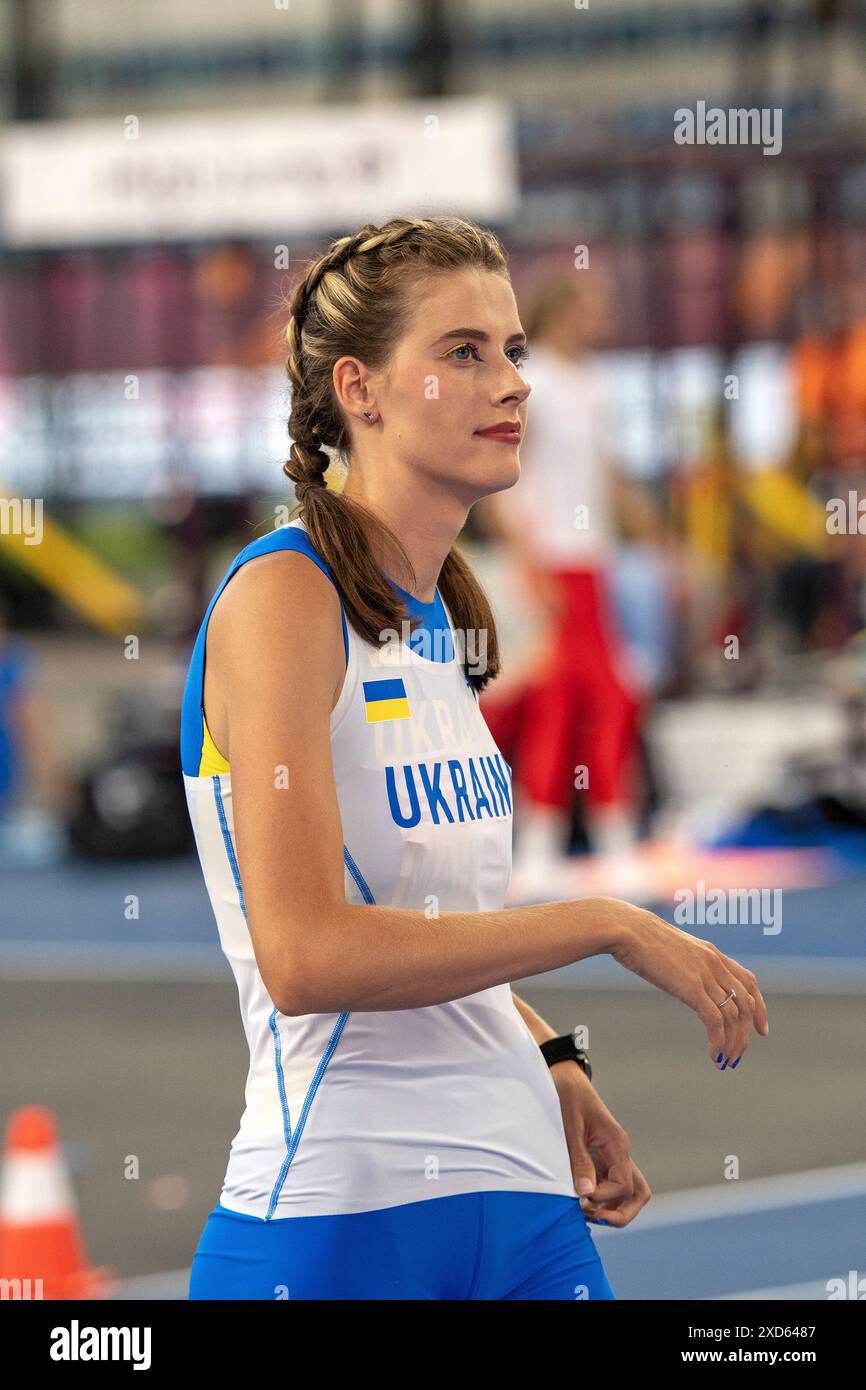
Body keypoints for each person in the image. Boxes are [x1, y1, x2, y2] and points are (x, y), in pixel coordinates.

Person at [180, 216, 769, 1301]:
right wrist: (606, 920)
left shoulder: (441, 618)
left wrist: (548, 1058)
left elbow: (436, 921)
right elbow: (305, 956)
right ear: (358, 389)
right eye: (462, 352)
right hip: (340, 1216)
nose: (509, 382)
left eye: (511, 351)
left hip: (522, 1190)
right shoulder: (281, 596)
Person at [482, 272, 649, 888]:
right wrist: (526, 559)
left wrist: (655, 542)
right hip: (551, 559)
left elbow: (609, 476)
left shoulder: (592, 383)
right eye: (594, 306)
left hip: (592, 561)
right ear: (566, 312)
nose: (603, 316)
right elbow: (505, 481)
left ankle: (574, 842)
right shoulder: (535, 384)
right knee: (571, 700)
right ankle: (561, 845)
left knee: (596, 700)